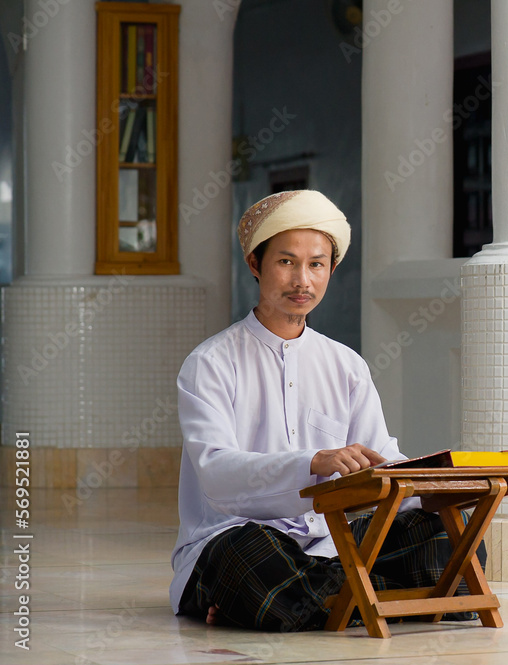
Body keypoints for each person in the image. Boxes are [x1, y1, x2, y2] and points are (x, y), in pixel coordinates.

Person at [169, 190, 480, 631]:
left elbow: (379, 459)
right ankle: (367, 596)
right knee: (251, 560)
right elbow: (217, 474)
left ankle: (299, 601)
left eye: (316, 264)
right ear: (255, 265)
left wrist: (431, 484)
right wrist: (313, 463)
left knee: (451, 537)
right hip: (236, 538)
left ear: (331, 270)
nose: (302, 280)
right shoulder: (210, 363)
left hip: (329, 543)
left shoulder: (346, 365)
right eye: (286, 262)